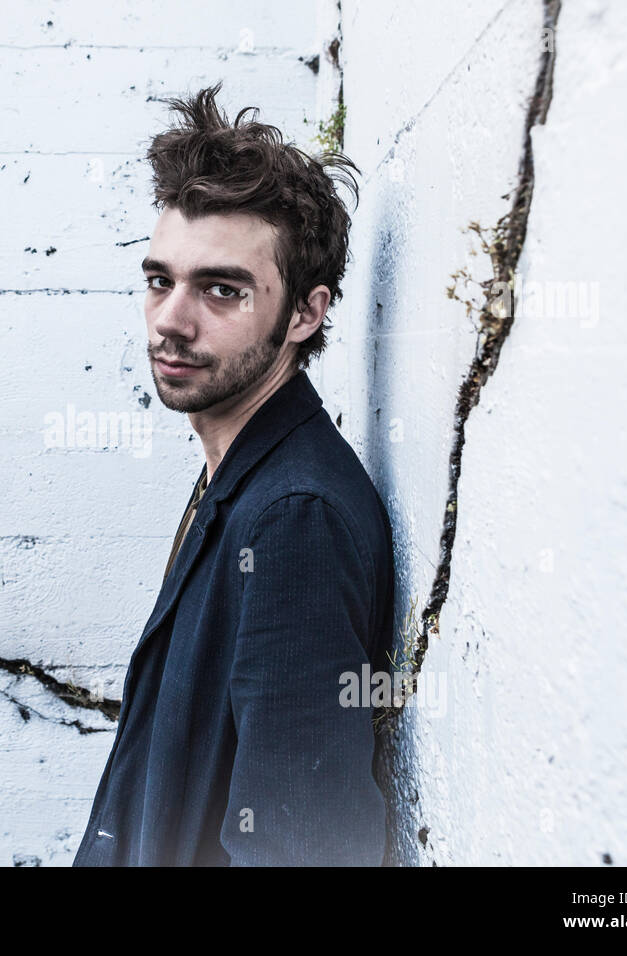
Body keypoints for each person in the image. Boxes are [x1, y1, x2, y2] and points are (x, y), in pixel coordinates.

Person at [72, 81, 396, 866]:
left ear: (305, 314)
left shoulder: (294, 520)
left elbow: (304, 851)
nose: (171, 320)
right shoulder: (237, 477)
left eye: (222, 290)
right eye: (160, 281)